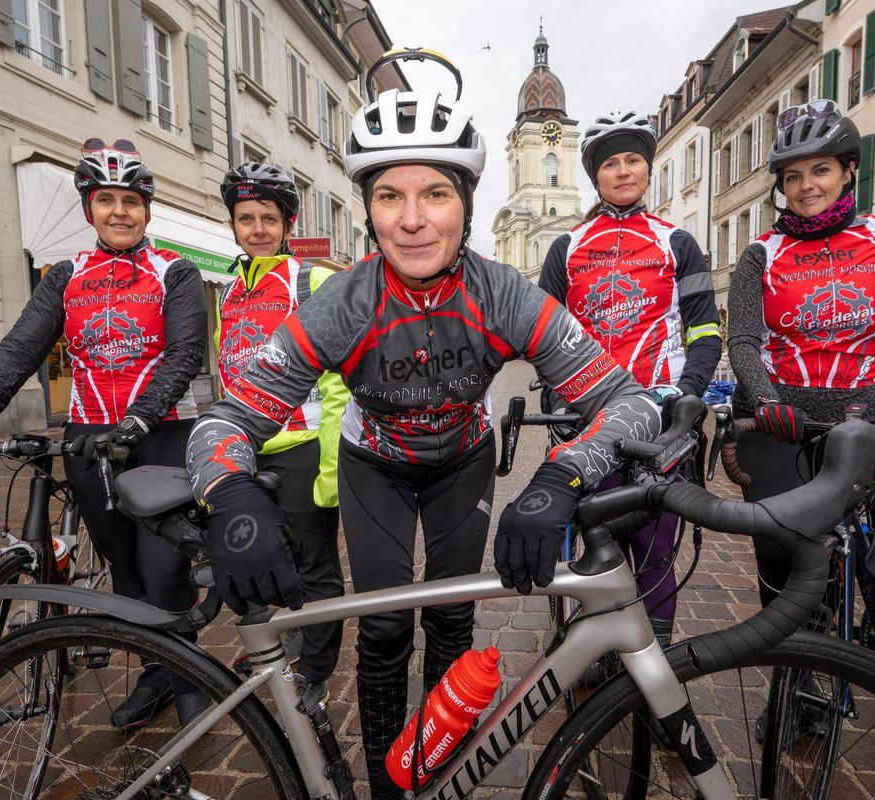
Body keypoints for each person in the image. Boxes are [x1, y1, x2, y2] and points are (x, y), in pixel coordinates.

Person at [186, 49, 663, 800]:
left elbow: (631, 401)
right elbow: (224, 421)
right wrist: (232, 494)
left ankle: (440, 775)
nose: (411, 221)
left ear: (466, 204)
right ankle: (385, 785)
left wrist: (563, 474)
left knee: (447, 624)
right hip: (373, 464)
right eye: (388, 196)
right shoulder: (344, 302)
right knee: (380, 632)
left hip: (461, 464)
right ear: (368, 208)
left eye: (435, 193)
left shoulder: (503, 292)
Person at [0, 138, 210, 727]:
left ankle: (189, 680)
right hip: (89, 442)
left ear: (146, 210)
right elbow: (21, 348)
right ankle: (154, 673)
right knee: (125, 574)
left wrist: (139, 419)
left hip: (159, 435)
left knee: (162, 569)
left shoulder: (173, 271)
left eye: (131, 200)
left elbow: (184, 353)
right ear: (89, 210)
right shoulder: (66, 276)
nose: (120, 212)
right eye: (107, 201)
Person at [727, 99, 875, 608]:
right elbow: (743, 340)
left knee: (873, 558)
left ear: (848, 171)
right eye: (793, 176)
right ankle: (798, 658)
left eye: (821, 170)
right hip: (779, 420)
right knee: (782, 557)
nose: (807, 187)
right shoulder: (761, 253)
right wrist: (762, 399)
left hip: (863, 412)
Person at [539, 109, 722, 648]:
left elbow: (706, 333)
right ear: (595, 177)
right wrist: (558, 393)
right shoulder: (566, 248)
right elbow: (543, 335)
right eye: (610, 163)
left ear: (648, 169)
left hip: (658, 417)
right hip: (589, 416)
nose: (623, 172)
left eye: (633, 161)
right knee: (599, 541)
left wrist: (688, 397)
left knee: (657, 543)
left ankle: (655, 656)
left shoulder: (677, 243)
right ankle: (595, 644)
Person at [215, 162, 349, 707]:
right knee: (278, 558)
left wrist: (332, 464)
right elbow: (228, 369)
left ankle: (316, 666)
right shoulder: (228, 291)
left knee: (317, 567)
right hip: (251, 452)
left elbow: (341, 378)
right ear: (233, 224)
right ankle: (291, 634)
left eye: (268, 218)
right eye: (246, 218)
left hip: (303, 449)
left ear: (287, 222)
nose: (257, 228)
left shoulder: (311, 281)